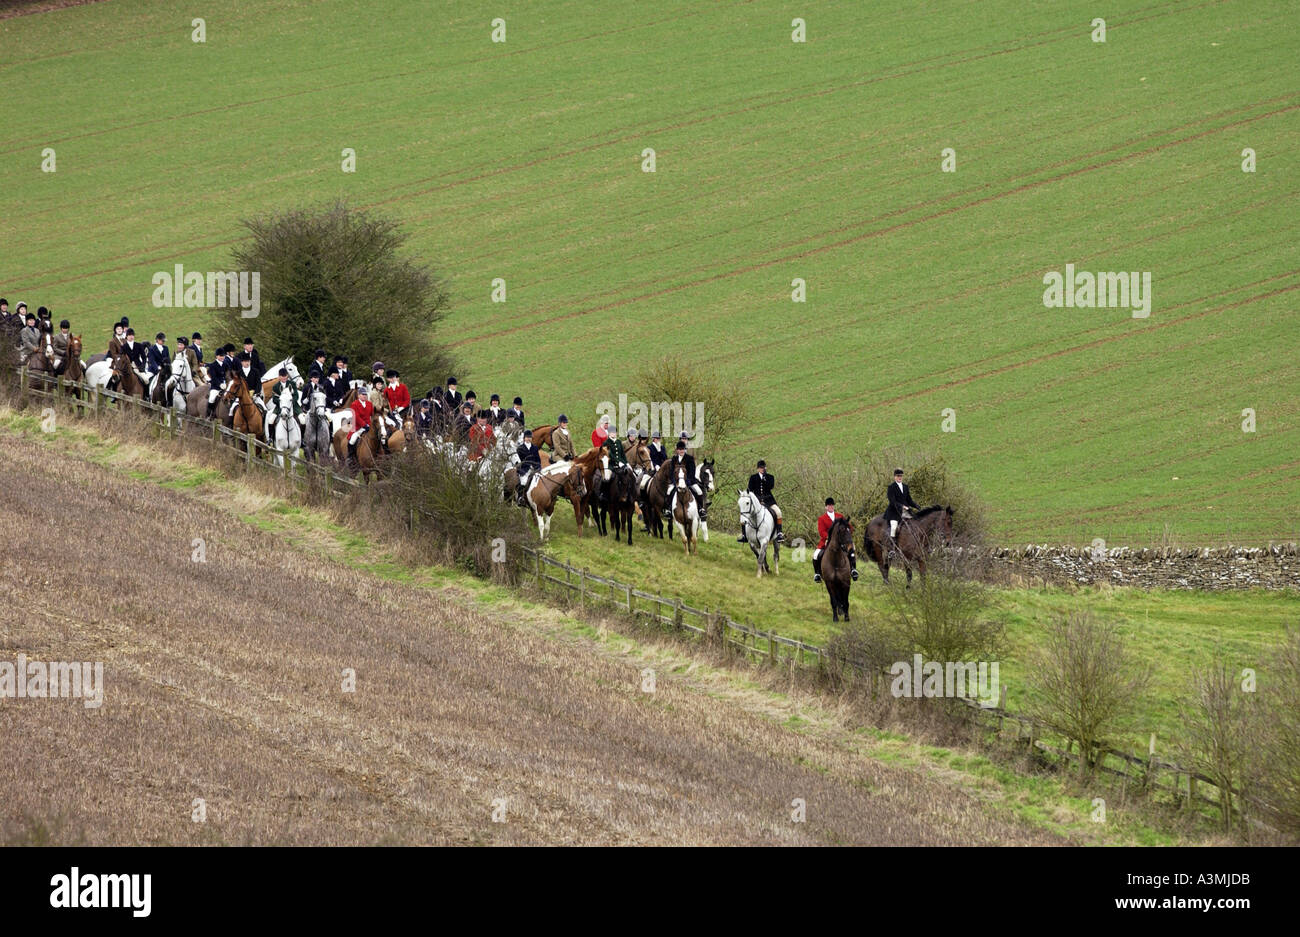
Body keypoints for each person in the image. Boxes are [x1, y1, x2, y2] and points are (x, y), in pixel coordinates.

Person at [812, 498, 857, 583]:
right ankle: (817, 574)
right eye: (829, 505)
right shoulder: (822, 518)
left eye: (832, 505)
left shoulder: (840, 516)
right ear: (826, 507)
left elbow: (849, 527)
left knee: (851, 551)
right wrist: (829, 537)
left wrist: (848, 534)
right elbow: (821, 531)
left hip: (842, 541)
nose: (831, 507)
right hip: (827, 541)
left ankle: (853, 570)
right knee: (816, 555)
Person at [739, 459, 784, 543]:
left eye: (763, 467)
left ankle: (779, 533)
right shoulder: (753, 477)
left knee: (778, 512)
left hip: (769, 500)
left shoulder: (770, 477)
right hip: (757, 502)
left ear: (765, 468)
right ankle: (744, 535)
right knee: (744, 514)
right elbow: (750, 489)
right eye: (760, 468)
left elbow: (771, 487)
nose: (762, 469)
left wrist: (765, 479)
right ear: (757, 469)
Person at [663, 440, 705, 520]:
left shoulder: (690, 458)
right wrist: (675, 482)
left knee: (699, 491)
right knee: (669, 491)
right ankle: (668, 510)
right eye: (680, 449)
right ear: (677, 450)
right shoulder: (674, 459)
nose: (682, 450)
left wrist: (687, 482)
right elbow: (671, 472)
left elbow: (692, 472)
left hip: (689, 481)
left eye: (683, 449)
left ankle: (701, 509)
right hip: (677, 482)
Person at [885, 468, 921, 558]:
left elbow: (909, 500)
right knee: (894, 527)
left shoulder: (905, 487)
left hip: (905, 511)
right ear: (894, 477)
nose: (899, 477)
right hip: (894, 512)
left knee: (915, 525)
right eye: (898, 476)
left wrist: (916, 506)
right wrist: (902, 506)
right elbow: (892, 501)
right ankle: (892, 549)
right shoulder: (891, 487)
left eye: (901, 476)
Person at [265, 368, 301, 438]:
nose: (284, 377)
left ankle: (302, 439)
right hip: (280, 407)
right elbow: (274, 399)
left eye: (285, 376)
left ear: (287, 376)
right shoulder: (275, 386)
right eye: (282, 376)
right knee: (271, 420)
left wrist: (290, 402)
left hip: (293, 406)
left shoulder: (292, 384)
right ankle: (270, 438)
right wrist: (282, 402)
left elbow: (296, 396)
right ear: (279, 376)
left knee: (302, 420)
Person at [347, 385, 374, 462]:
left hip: (369, 426)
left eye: (365, 394)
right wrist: (364, 425)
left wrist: (371, 424)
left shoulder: (369, 404)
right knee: (352, 440)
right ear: (358, 395)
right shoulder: (354, 404)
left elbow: (372, 415)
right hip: (357, 427)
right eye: (363, 394)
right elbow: (356, 417)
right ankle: (351, 457)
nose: (365, 396)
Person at [515, 429, 542, 505]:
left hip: (534, 469)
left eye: (530, 437)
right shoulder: (520, 448)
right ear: (524, 438)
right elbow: (518, 461)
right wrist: (520, 470)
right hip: (524, 469)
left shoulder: (535, 448)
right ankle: (521, 498)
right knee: (523, 482)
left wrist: (539, 467)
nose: (528, 439)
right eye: (527, 437)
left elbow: (538, 459)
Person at [205, 346, 230, 417]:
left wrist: (227, 383)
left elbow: (228, 375)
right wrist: (220, 385)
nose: (222, 357)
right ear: (217, 356)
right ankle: (209, 414)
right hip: (215, 387)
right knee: (212, 398)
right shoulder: (213, 365)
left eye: (223, 356)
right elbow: (214, 378)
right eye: (220, 356)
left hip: (225, 386)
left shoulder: (226, 364)